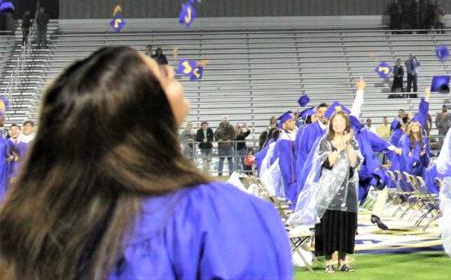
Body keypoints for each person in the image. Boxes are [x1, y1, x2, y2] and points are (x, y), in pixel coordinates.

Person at [0, 45, 290, 278]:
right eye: (162, 75)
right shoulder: (218, 216)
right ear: (141, 116)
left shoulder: (37, 223)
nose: (169, 67)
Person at [314, 109, 362, 272]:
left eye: (341, 121)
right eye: (336, 121)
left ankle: (343, 261)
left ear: (346, 124)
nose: (338, 124)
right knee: (329, 224)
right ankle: (329, 262)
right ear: (331, 124)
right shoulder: (325, 141)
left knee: (345, 225)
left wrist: (348, 143)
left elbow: (354, 163)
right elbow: (329, 162)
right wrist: (340, 144)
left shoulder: (352, 141)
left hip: (348, 190)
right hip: (329, 190)